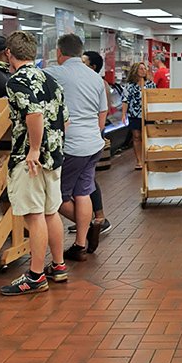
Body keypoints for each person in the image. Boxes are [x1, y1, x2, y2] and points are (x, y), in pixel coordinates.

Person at [0, 31, 69, 296]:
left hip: (30, 158)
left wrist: (34, 150)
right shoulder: (52, 80)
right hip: (55, 157)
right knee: (51, 212)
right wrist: (52, 148)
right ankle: (59, 265)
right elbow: (65, 120)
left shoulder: (16, 81)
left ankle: (36, 276)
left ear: (9, 54)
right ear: (35, 53)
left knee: (34, 215)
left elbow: (34, 114)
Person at [46, 34, 108, 261]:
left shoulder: (54, 73)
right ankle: (80, 244)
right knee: (83, 191)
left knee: (57, 196)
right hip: (93, 143)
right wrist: (95, 133)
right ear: (81, 52)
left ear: (58, 53)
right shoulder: (95, 78)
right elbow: (103, 113)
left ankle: (90, 227)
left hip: (70, 145)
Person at [76, 49, 112, 238]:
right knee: (85, 180)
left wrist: (97, 133)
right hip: (90, 135)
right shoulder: (88, 81)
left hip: (91, 136)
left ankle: (98, 218)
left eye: (83, 62)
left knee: (87, 179)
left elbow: (102, 112)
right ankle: (87, 219)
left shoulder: (99, 83)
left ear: (93, 67)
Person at [121, 62, 156, 170]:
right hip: (134, 114)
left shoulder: (151, 84)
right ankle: (139, 160)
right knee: (136, 137)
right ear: (135, 70)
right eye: (141, 69)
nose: (143, 71)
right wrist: (123, 115)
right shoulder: (129, 86)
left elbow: (156, 98)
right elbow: (125, 100)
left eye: (144, 69)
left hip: (148, 114)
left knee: (148, 136)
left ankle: (148, 158)